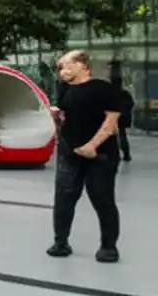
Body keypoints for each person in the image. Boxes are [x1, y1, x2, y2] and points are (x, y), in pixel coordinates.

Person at [47, 51, 122, 264]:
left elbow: (111, 121)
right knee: (64, 197)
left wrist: (92, 145)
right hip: (70, 153)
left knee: (102, 198)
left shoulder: (103, 89)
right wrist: (56, 117)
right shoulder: (65, 90)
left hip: (101, 154)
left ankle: (109, 247)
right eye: (61, 68)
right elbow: (65, 119)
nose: (63, 71)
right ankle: (61, 241)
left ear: (83, 65)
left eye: (68, 66)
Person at [111, 78, 133, 162]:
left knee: (111, 136)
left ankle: (115, 154)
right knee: (122, 135)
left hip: (113, 116)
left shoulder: (110, 93)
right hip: (123, 117)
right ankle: (126, 154)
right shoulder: (125, 93)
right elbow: (131, 104)